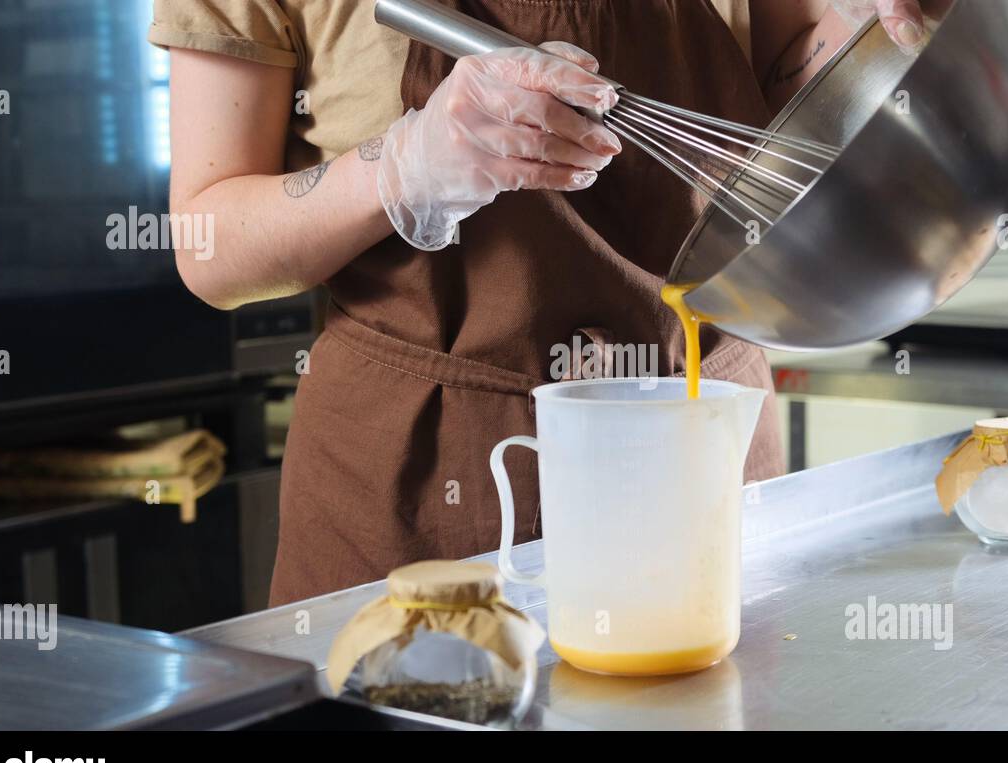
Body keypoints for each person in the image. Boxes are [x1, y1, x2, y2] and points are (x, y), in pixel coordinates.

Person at [149, 0, 927, 606]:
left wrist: (864, 50)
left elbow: (783, 77)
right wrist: (399, 171)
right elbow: (209, 244)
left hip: (699, 439)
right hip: (417, 486)